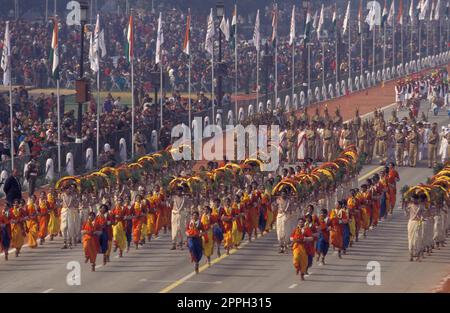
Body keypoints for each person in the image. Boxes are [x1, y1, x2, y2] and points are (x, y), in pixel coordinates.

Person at [405, 193, 424, 262]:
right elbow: (406, 214)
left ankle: (417, 256)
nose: (413, 200)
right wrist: (405, 206)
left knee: (417, 239)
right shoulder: (409, 206)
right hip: (411, 223)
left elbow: (422, 214)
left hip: (418, 223)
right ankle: (411, 255)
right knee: (410, 239)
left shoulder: (421, 206)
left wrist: (421, 217)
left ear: (417, 199)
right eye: (412, 199)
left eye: (414, 199)